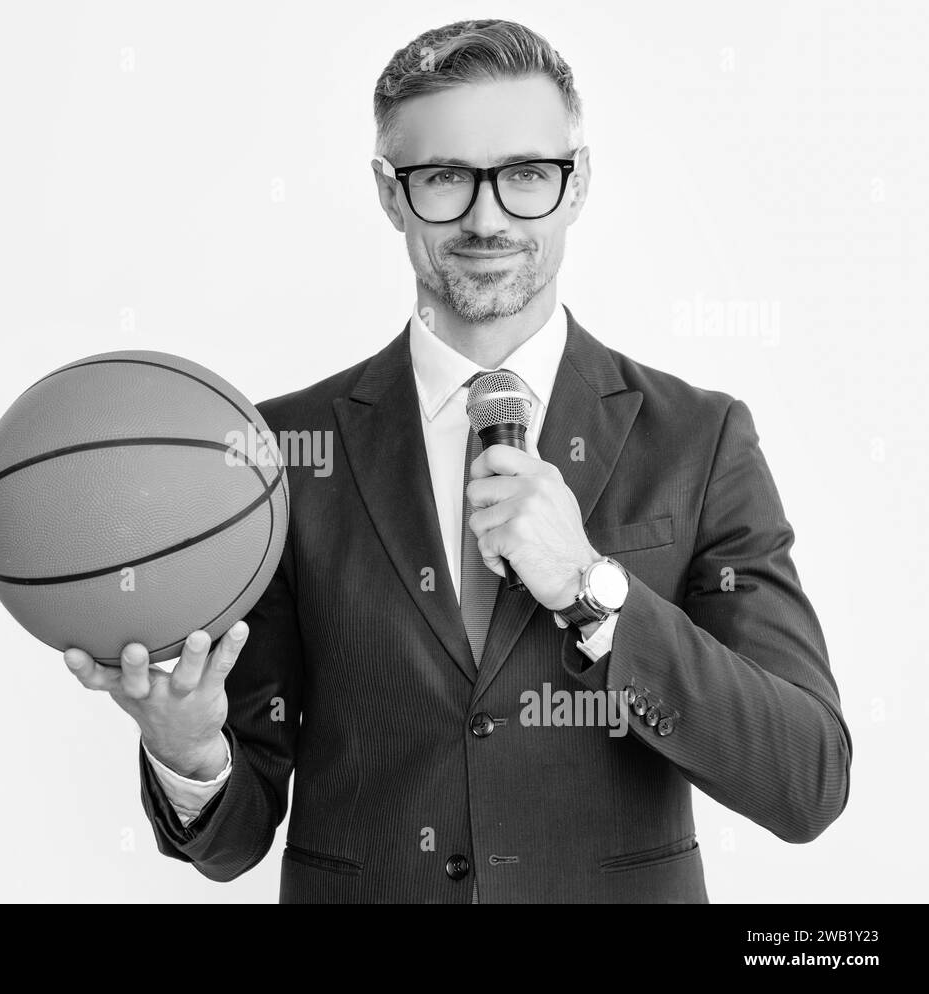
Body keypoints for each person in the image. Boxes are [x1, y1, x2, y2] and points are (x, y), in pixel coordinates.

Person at [63, 18, 852, 903]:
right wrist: (191, 750)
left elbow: (806, 779)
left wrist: (594, 588)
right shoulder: (280, 456)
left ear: (577, 182)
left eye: (525, 175)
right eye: (443, 178)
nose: (486, 218)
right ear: (389, 194)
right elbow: (236, 838)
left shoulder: (700, 440)